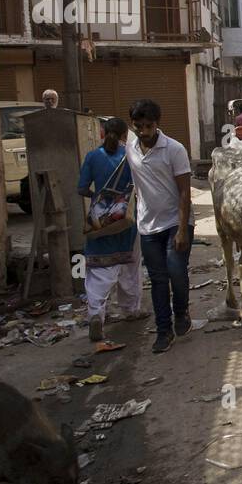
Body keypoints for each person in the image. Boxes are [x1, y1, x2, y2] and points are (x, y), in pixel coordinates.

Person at [125, 99, 194, 354]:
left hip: (176, 222)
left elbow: (185, 192)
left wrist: (183, 229)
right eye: (139, 126)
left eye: (149, 126)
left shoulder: (174, 149)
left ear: (158, 124)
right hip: (147, 227)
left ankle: (182, 312)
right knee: (157, 280)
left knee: (176, 273)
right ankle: (163, 331)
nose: (144, 132)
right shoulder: (130, 148)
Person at [77, 119, 144, 346]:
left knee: (98, 271)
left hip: (100, 221)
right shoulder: (132, 155)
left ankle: (96, 314)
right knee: (129, 267)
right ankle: (130, 309)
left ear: (103, 133)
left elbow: (81, 188)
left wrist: (99, 195)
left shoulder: (92, 157)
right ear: (126, 134)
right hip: (126, 220)